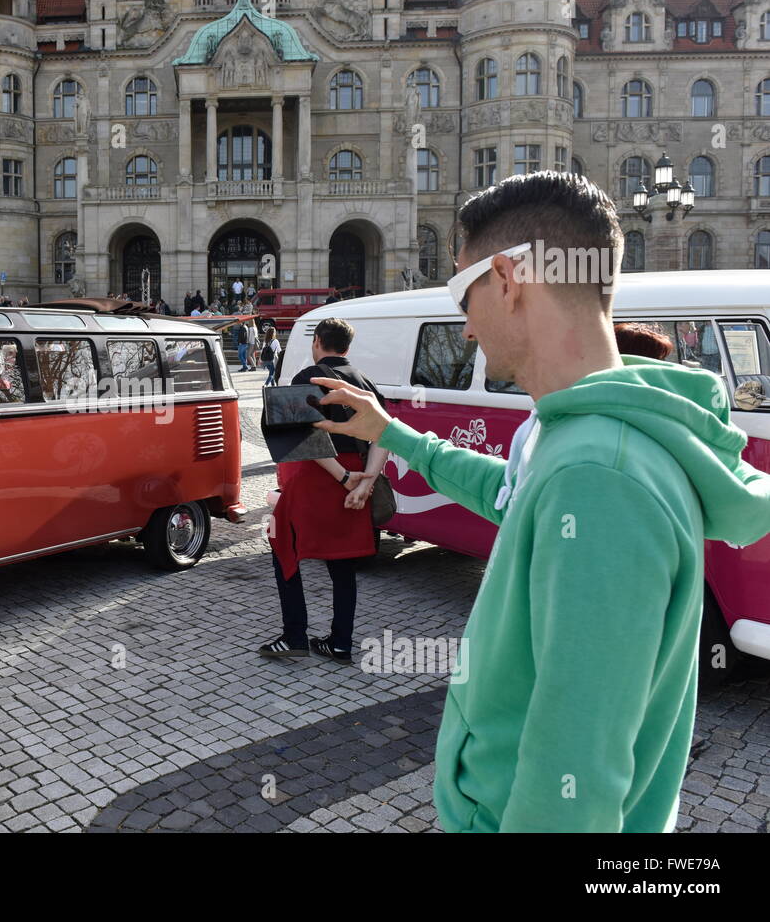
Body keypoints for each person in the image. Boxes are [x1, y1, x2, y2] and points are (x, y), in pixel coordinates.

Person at [310, 171, 770, 831]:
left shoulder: (599, 474)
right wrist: (392, 432)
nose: (465, 328)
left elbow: (573, 784)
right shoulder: (589, 435)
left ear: (507, 278)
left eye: (461, 294)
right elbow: (510, 494)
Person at [261, 318, 388, 661]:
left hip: (318, 477)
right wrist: (366, 480)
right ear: (348, 346)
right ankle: (340, 642)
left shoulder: (308, 377)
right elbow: (385, 435)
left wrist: (343, 476)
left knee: (284, 548)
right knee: (343, 563)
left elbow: (304, 436)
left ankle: (294, 636)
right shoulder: (365, 383)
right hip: (357, 481)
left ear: (317, 341)